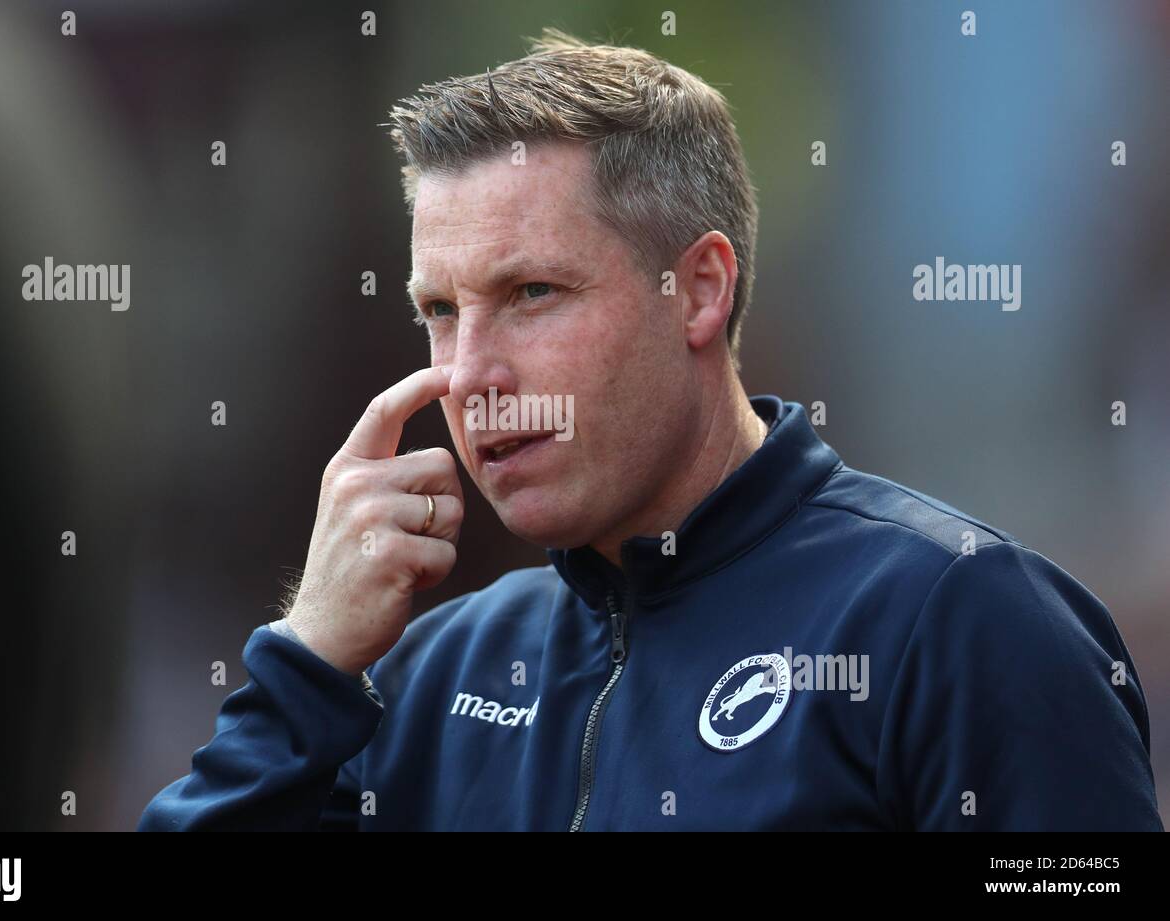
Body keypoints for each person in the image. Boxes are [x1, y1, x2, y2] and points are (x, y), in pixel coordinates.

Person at [138, 30, 1162, 831]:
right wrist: (308, 659)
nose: (469, 374)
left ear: (698, 290)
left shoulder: (963, 621)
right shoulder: (438, 670)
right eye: (440, 311)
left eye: (532, 292)